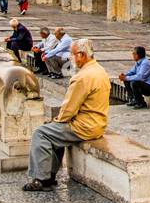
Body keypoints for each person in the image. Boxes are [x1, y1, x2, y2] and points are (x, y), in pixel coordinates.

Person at [23, 38, 109, 192]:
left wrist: (57, 120)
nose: (70, 57)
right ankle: (49, 175)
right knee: (53, 132)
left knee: (40, 133)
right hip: (98, 124)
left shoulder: (82, 77)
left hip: (84, 126)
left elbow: (69, 109)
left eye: (72, 54)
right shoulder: (100, 70)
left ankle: (41, 179)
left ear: (81, 55)